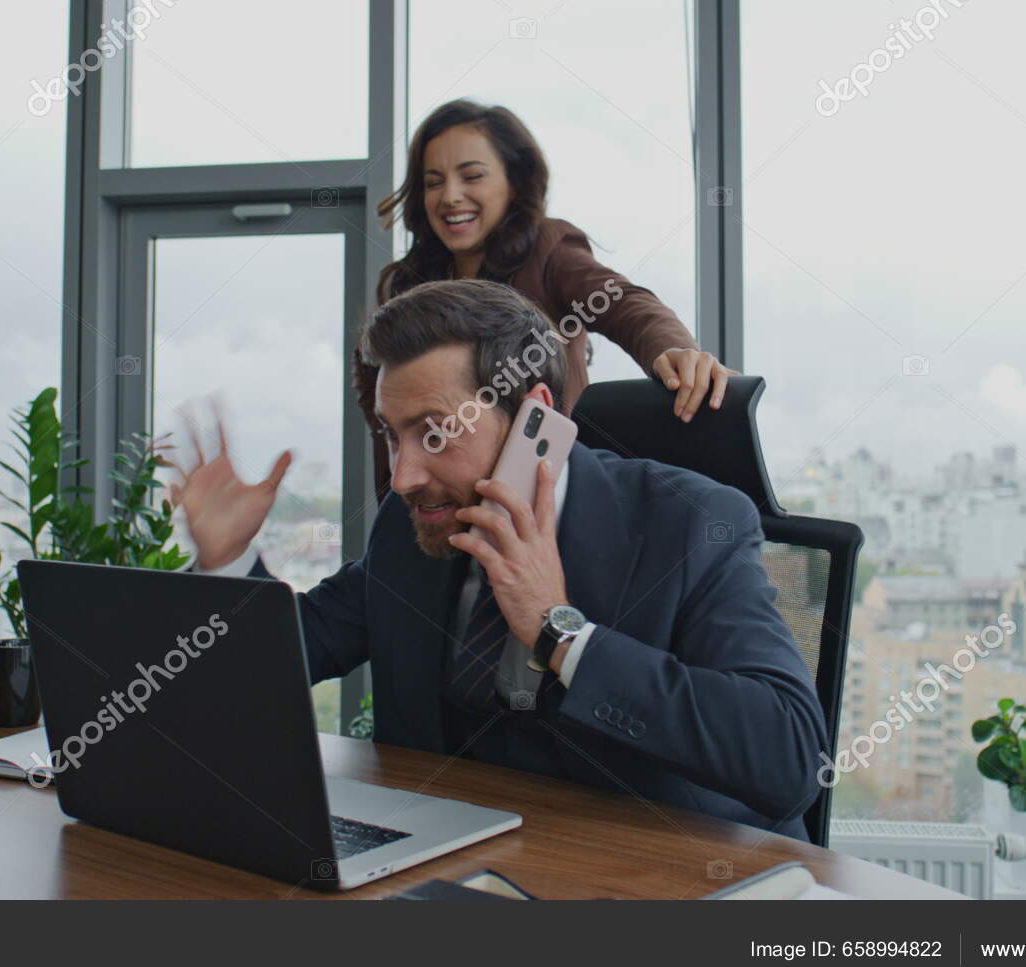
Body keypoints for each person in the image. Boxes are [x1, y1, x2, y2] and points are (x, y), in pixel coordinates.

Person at [169, 279, 824, 840]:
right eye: (391, 436)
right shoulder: (411, 523)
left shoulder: (691, 524)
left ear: (534, 416)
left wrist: (560, 629)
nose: (402, 476)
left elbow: (790, 759)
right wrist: (229, 561)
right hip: (457, 865)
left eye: (434, 433)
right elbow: (298, 647)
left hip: (654, 879)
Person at [354, 99, 734, 497]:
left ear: (515, 182)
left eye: (472, 176)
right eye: (433, 182)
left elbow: (623, 302)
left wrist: (674, 351)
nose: (450, 196)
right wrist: (396, 506)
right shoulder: (408, 286)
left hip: (544, 491)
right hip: (443, 494)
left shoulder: (548, 251)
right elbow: (382, 416)